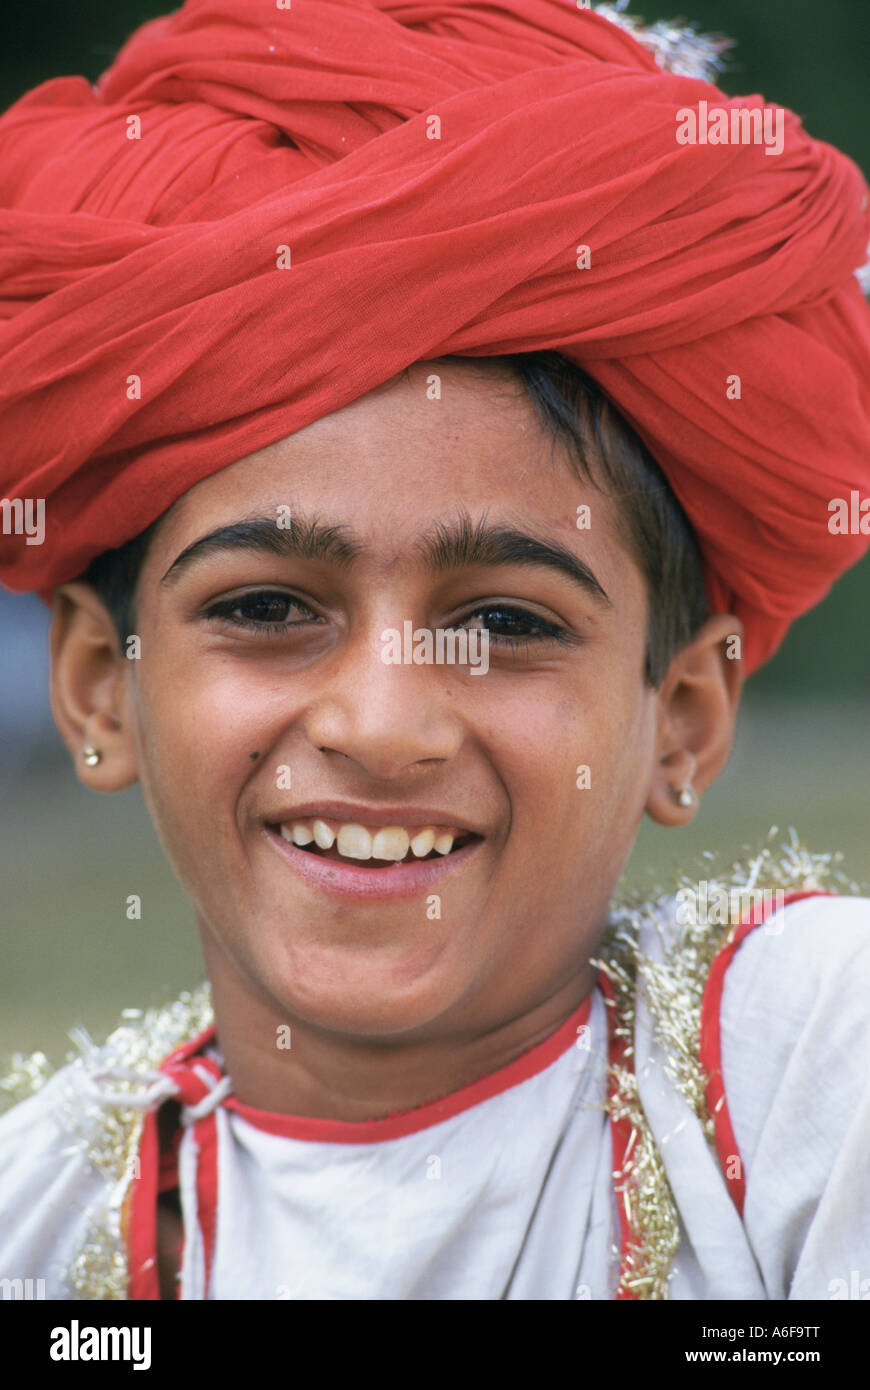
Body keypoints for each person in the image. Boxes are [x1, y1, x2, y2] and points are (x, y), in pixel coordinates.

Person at [0, 0, 868, 1302]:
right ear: (95, 685)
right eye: (265, 607)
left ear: (680, 715)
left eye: (506, 623)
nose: (382, 720)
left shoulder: (813, 1073)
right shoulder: (34, 1222)